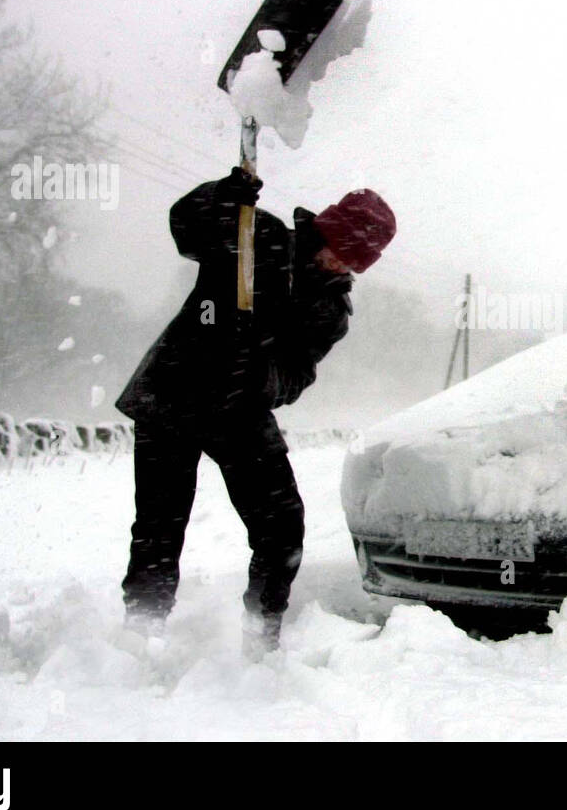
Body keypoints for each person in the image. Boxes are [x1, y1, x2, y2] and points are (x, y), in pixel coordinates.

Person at [114, 167, 396, 659]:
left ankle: (261, 633)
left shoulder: (330, 310)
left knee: (283, 525)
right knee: (160, 523)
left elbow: (297, 373)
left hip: (239, 407)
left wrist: (259, 371)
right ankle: (140, 629)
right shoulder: (254, 233)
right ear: (328, 229)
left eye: (353, 260)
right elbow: (185, 227)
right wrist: (221, 199)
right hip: (175, 389)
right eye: (340, 249)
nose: (339, 264)